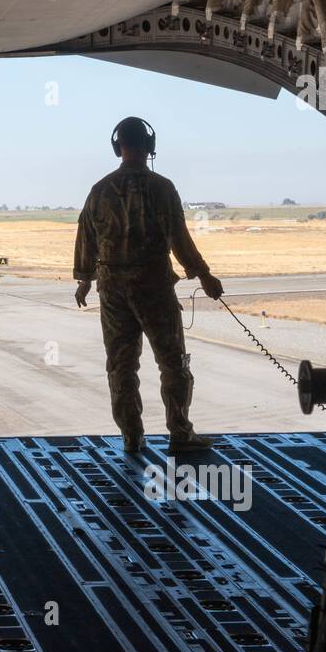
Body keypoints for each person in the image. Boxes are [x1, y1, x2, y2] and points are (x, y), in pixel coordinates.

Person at [73, 117, 224, 453]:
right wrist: (204, 275)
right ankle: (180, 433)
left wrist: (84, 280)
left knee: (121, 364)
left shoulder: (100, 190)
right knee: (172, 362)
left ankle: (131, 437)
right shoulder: (162, 188)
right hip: (153, 284)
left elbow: (86, 237)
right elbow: (178, 238)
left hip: (111, 288)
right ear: (149, 146)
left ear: (118, 147)